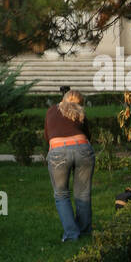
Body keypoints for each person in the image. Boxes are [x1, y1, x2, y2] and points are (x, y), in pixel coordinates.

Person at [44, 87, 95, 242]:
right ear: (81, 103)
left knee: (61, 195)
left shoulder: (52, 110)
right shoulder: (80, 113)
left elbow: (47, 136)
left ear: (63, 99)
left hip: (58, 151)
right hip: (83, 148)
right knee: (83, 193)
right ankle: (85, 231)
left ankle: (72, 235)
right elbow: (88, 135)